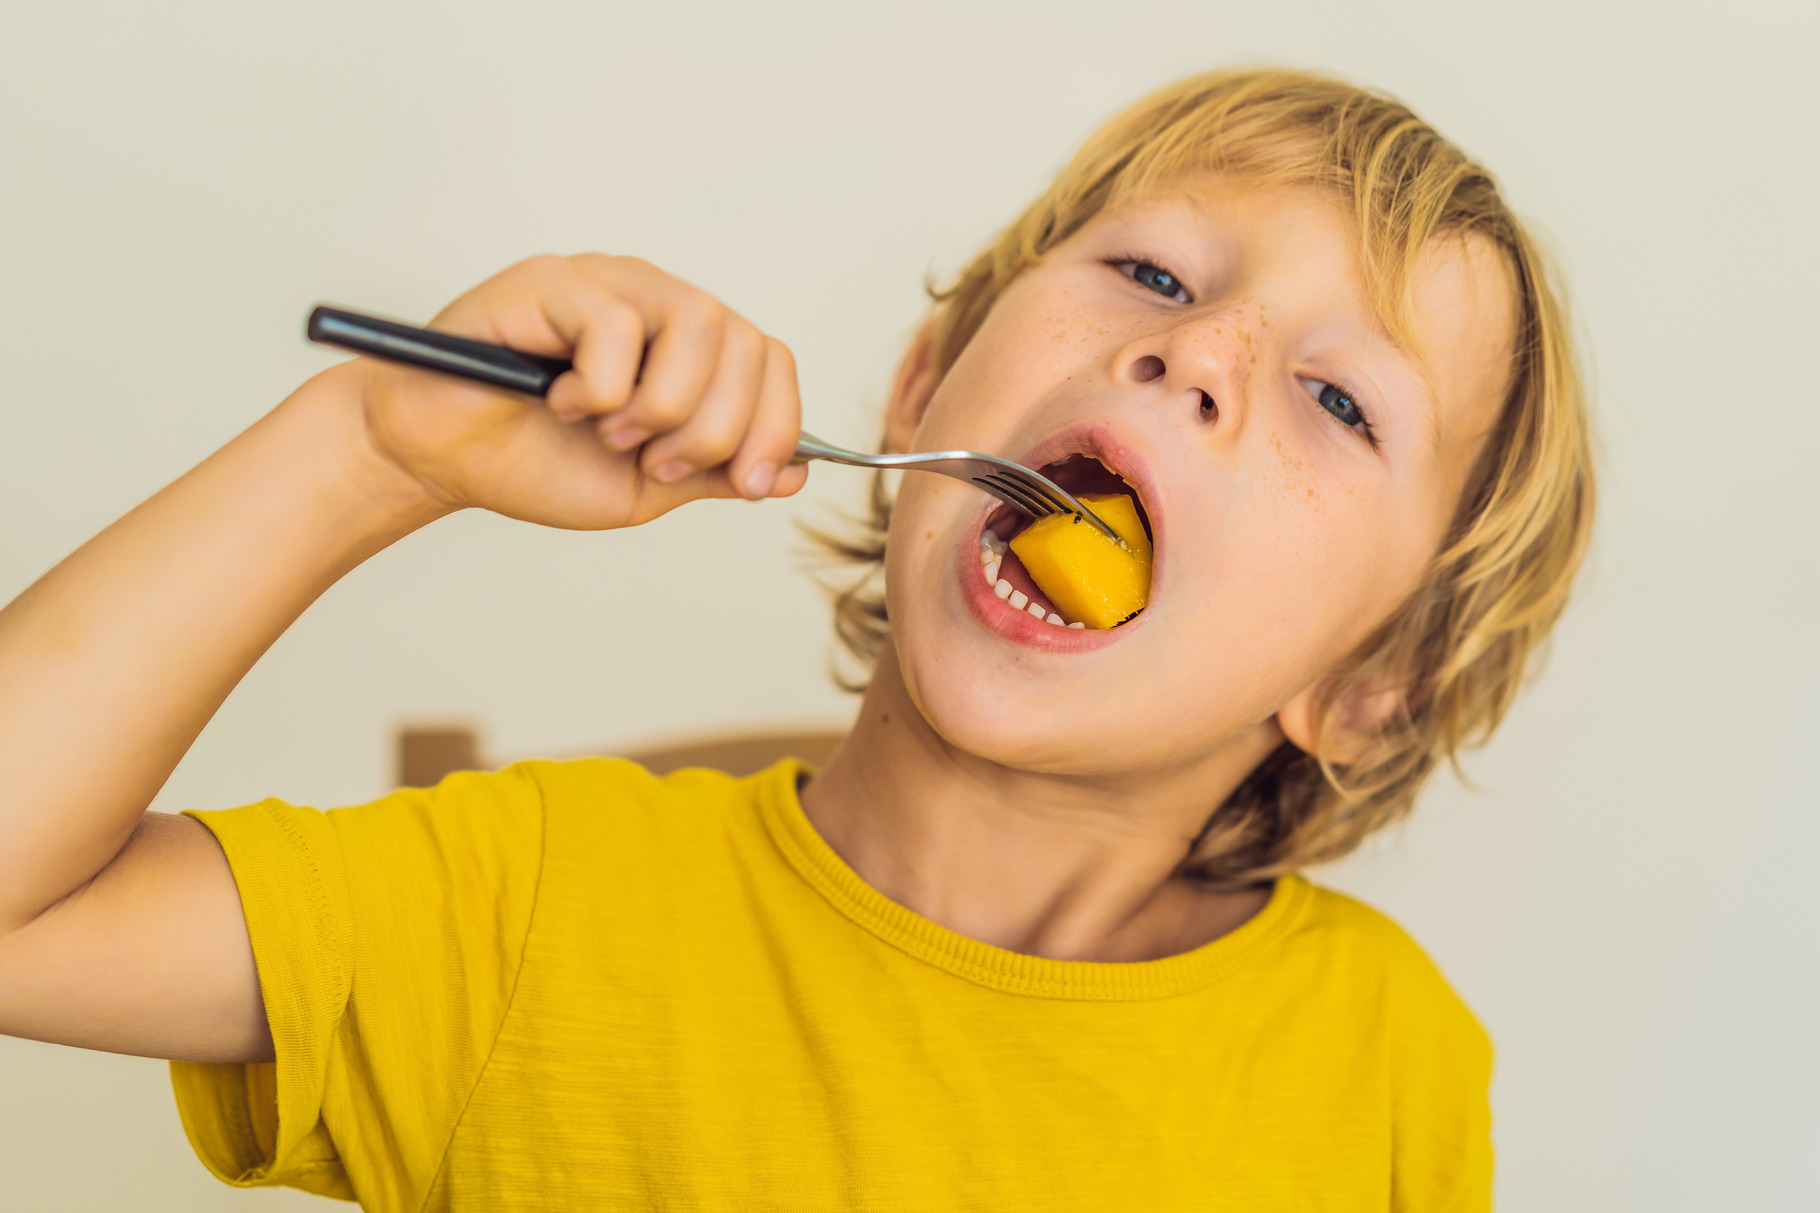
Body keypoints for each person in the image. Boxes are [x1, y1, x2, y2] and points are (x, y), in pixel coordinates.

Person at [0, 68, 1593, 1210]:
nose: (1199, 350)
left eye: (1338, 399)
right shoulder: (531, 910)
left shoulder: (1387, 1055)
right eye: (1153, 271)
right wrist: (370, 451)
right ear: (927, 386)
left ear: (1372, 684)